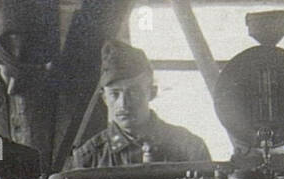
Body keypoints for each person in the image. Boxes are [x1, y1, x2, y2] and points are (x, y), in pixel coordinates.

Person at [70, 40, 210, 168]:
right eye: (115, 94)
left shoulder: (190, 149)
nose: (124, 104)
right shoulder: (89, 159)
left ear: (152, 92)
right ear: (104, 98)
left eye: (133, 92)